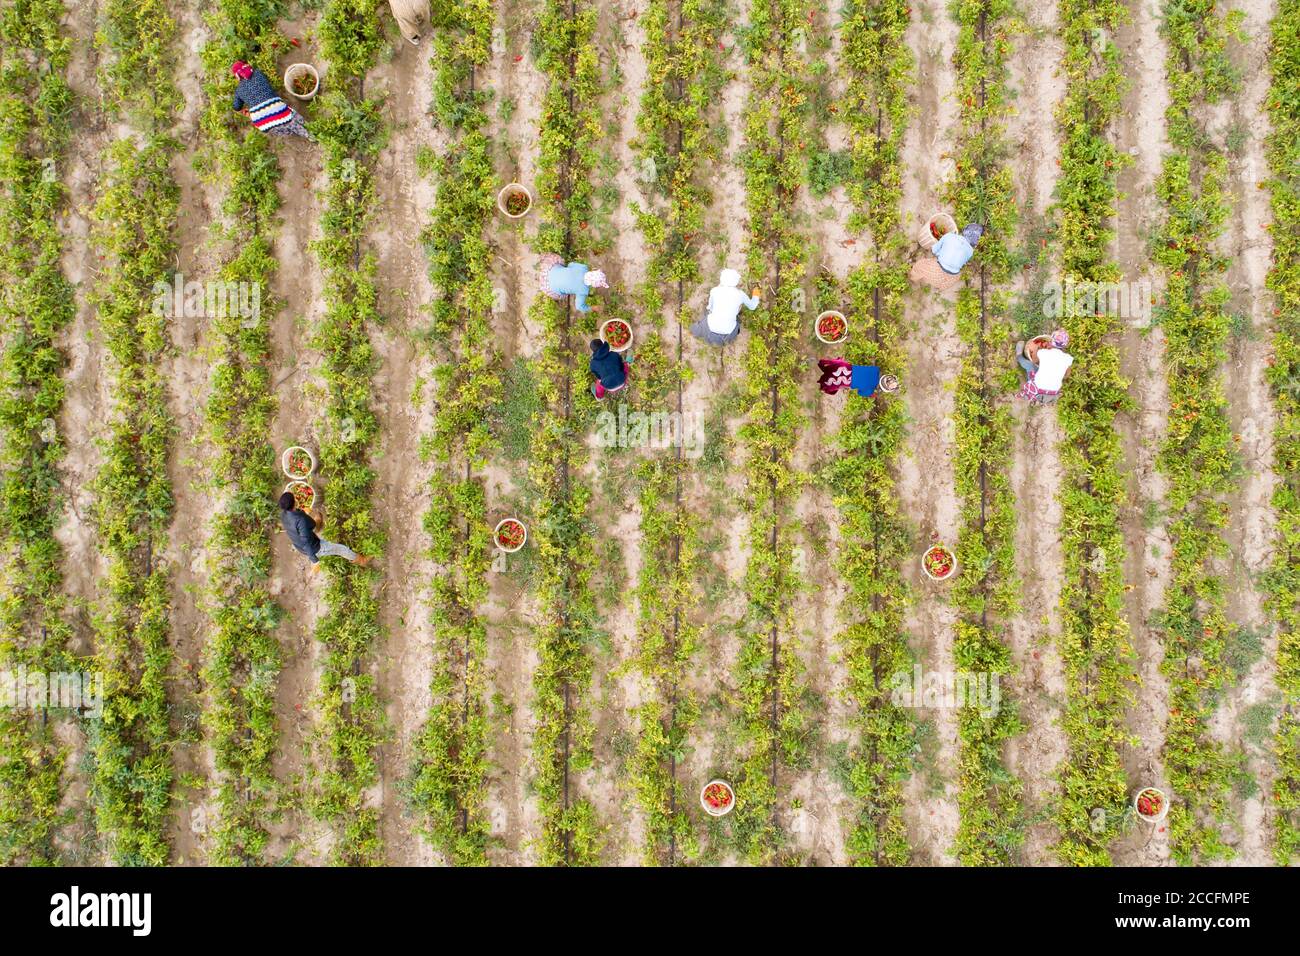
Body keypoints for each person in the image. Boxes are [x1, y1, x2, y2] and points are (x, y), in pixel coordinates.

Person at [278, 492, 372, 571]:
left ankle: (317, 526)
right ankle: (362, 560)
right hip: (314, 547)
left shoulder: (284, 514)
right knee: (342, 549)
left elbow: (297, 522)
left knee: (313, 524)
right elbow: (306, 542)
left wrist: (304, 513)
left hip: (299, 543)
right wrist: (315, 561)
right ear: (294, 502)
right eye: (295, 498)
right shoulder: (301, 521)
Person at [231, 61, 314, 141]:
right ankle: (309, 131)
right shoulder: (258, 73)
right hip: (275, 107)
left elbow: (236, 107)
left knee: (277, 125)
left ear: (237, 76)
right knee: (290, 116)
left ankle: (291, 131)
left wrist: (246, 111)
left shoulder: (238, 90)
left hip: (260, 120)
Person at [692, 269, 761, 345]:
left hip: (710, 326)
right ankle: (726, 340)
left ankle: (696, 332)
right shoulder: (740, 294)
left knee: (701, 325)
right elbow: (752, 306)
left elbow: (709, 308)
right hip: (729, 331)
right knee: (736, 317)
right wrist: (756, 293)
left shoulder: (714, 291)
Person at [910, 223, 984, 291]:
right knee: (947, 277)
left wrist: (941, 252)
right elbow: (962, 262)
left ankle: (912, 278)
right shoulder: (971, 251)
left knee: (920, 265)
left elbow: (934, 250)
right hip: (952, 277)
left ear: (964, 230)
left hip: (936, 271)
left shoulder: (949, 236)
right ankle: (938, 289)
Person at [1016, 329, 1073, 403]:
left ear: (1050, 342)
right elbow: (1067, 373)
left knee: (1030, 365)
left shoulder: (1043, 352)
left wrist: (1035, 348)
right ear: (1064, 346)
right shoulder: (1068, 358)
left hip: (1037, 390)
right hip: (1053, 394)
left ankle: (1019, 356)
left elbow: (1034, 361)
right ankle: (1037, 398)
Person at [538, 255, 608, 312]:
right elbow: (579, 307)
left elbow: (571, 264)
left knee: (563, 267)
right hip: (549, 287)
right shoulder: (583, 291)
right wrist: (593, 308)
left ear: (593, 271)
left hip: (550, 271)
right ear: (593, 285)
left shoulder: (583, 268)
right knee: (563, 293)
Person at [817, 359, 881, 398]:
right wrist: (871, 394)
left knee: (839, 365)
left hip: (843, 367)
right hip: (840, 372)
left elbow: (862, 393)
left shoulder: (875, 370)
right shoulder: (869, 388)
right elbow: (861, 393)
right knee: (830, 385)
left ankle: (824, 386)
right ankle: (823, 388)